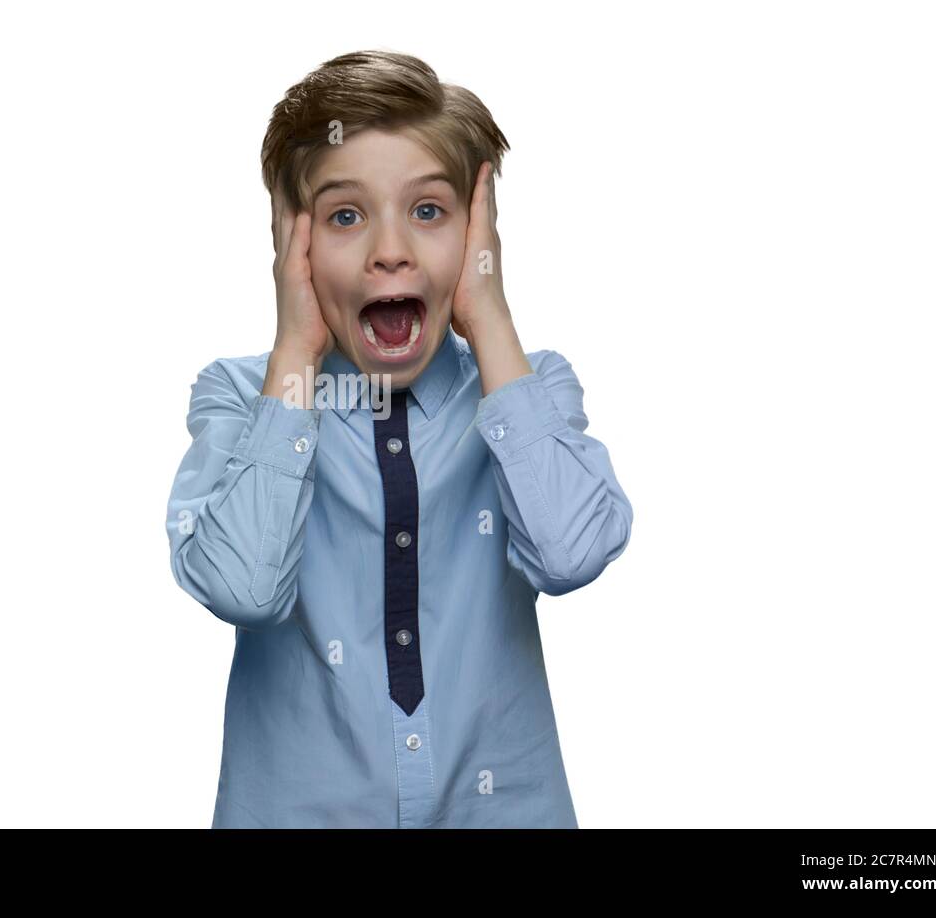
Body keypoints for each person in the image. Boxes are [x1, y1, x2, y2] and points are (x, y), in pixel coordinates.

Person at [165, 50, 633, 827]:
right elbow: (241, 591)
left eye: (429, 211)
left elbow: (572, 555)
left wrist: (491, 319)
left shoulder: (529, 387)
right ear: (293, 243)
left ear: (478, 232)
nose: (391, 250)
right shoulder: (243, 397)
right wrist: (295, 356)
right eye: (345, 216)